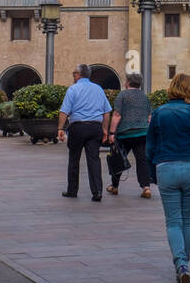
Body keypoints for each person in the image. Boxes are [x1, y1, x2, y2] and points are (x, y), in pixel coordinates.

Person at [147, 73, 190, 283]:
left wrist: (151, 174)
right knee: (187, 220)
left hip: (166, 167)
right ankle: (185, 265)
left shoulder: (159, 112)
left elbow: (150, 147)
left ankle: (181, 265)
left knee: (173, 220)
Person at [58, 63, 112, 201]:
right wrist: (105, 129)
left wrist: (60, 128)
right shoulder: (98, 89)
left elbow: (64, 111)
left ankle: (72, 190)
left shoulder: (73, 89)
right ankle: (97, 191)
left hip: (78, 127)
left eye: (74, 73)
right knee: (94, 159)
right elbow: (106, 112)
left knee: (74, 158)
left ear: (78, 75)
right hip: (95, 127)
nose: (73, 75)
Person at [107, 73, 153, 198]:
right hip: (142, 133)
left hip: (124, 134)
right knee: (142, 160)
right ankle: (146, 187)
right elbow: (149, 117)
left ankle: (115, 186)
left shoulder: (122, 95)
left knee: (118, 159)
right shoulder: (145, 97)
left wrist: (111, 133)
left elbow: (117, 115)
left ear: (127, 82)